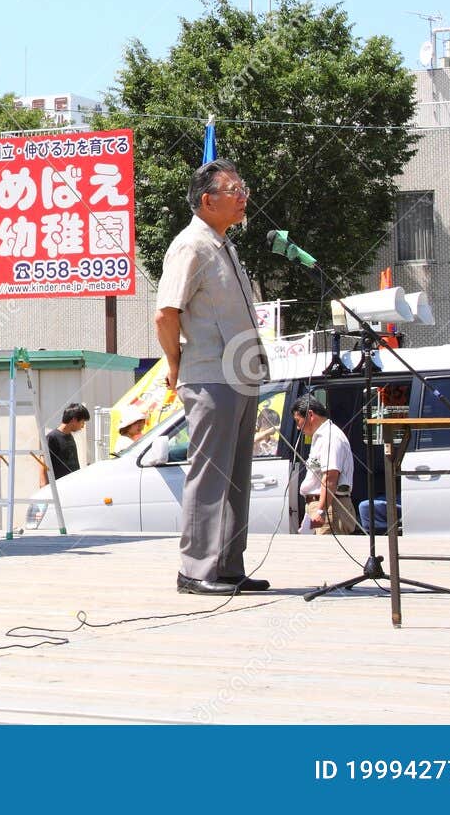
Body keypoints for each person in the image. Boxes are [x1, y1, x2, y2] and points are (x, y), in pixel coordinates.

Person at [154, 158, 271, 596]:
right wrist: (174, 364)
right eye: (234, 191)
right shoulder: (191, 245)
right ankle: (194, 569)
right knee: (208, 475)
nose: (244, 198)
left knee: (236, 476)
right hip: (209, 375)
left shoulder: (224, 245)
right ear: (208, 200)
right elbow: (166, 314)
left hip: (240, 373)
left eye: (244, 189)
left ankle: (226, 566)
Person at [293, 392, 358, 535]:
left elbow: (330, 478)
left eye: (298, 421)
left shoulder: (330, 437)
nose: (298, 427)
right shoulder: (320, 437)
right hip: (323, 506)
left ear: (310, 415)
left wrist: (321, 511)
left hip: (330, 509)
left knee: (328, 548)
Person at [39, 403, 87, 485]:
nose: (82, 426)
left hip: (72, 485)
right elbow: (43, 463)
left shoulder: (70, 436)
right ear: (74, 420)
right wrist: (44, 487)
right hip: (59, 488)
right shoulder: (52, 437)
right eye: (82, 422)